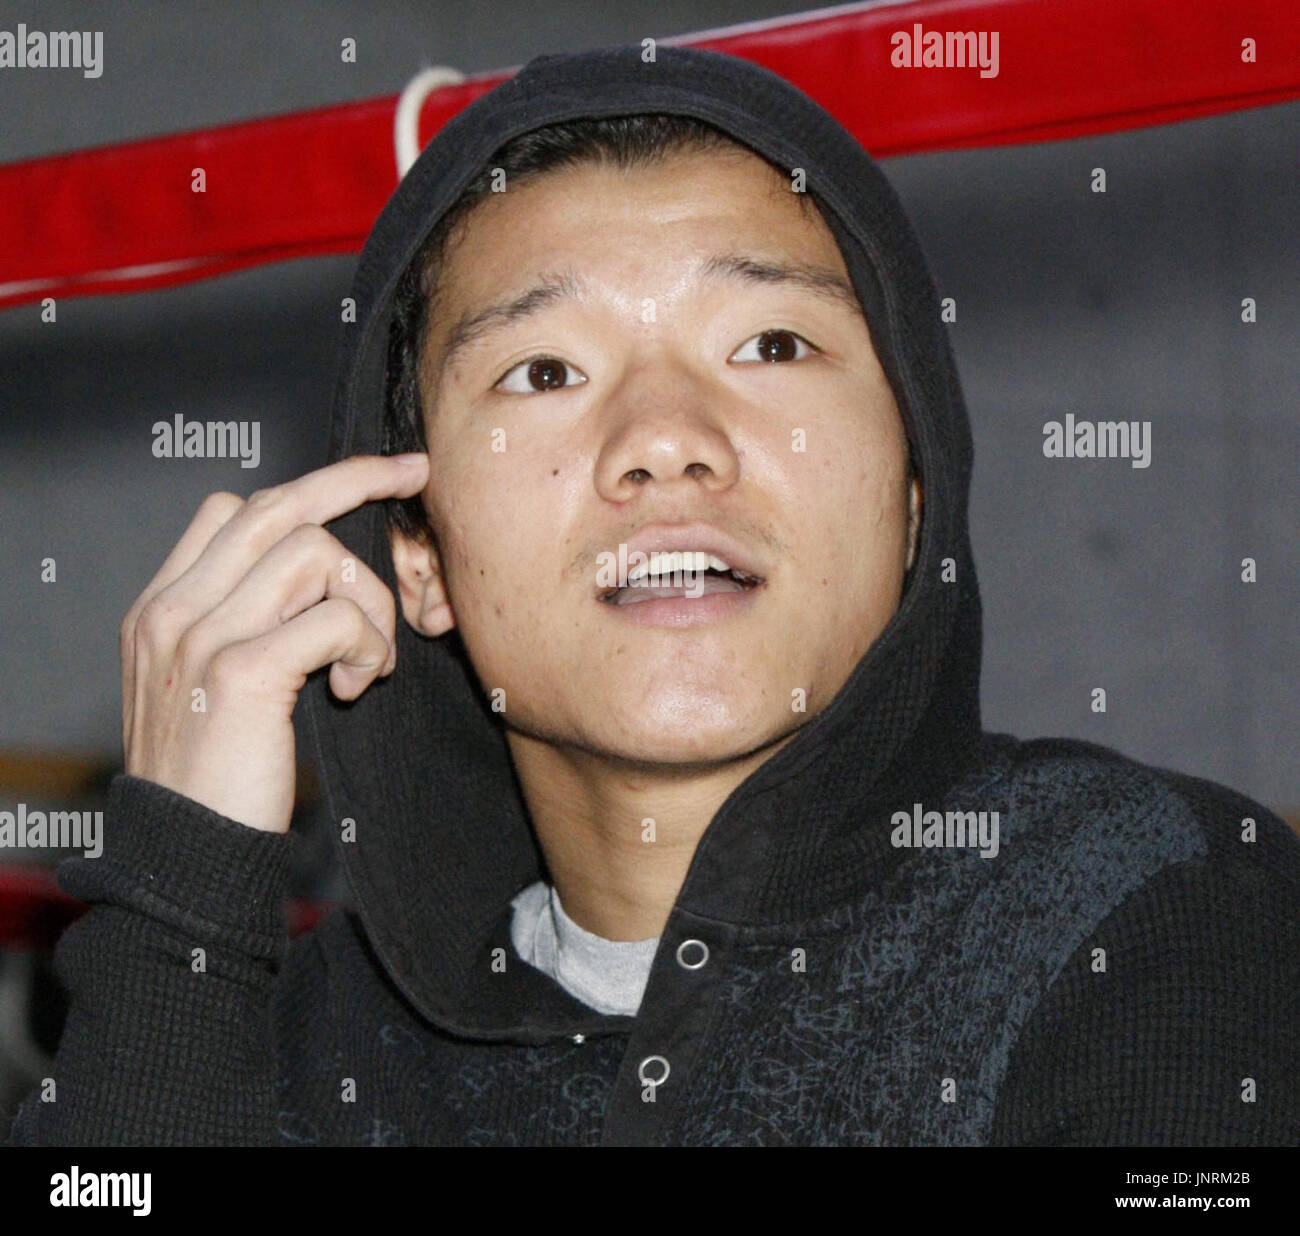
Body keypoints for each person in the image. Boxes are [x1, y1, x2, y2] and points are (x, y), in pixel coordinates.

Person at [11, 44, 1298, 1147]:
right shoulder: (297, 1051)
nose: (664, 436)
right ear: (419, 561)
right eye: (543, 370)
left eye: (770, 346)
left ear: (915, 496)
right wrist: (179, 903)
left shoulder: (1145, 910)